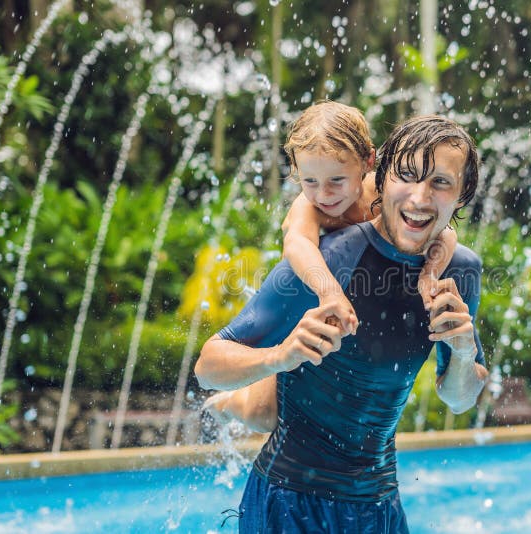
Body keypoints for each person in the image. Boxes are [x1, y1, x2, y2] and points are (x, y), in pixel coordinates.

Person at [194, 115, 488, 532]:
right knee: (262, 404)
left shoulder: (461, 272)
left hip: (378, 508)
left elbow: (459, 400)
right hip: (288, 503)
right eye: (407, 176)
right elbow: (207, 365)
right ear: (381, 178)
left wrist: (463, 352)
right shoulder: (331, 257)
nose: (421, 198)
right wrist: (281, 355)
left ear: (462, 196)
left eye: (441, 182)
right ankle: (237, 405)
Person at [203, 101, 457, 433]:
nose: (323, 193)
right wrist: (329, 293)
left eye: (337, 180)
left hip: (365, 299)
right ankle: (228, 402)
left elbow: (448, 234)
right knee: (265, 413)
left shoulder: (388, 192)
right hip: (307, 301)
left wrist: (430, 273)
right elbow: (297, 244)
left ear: (368, 161)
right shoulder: (308, 207)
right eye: (309, 180)